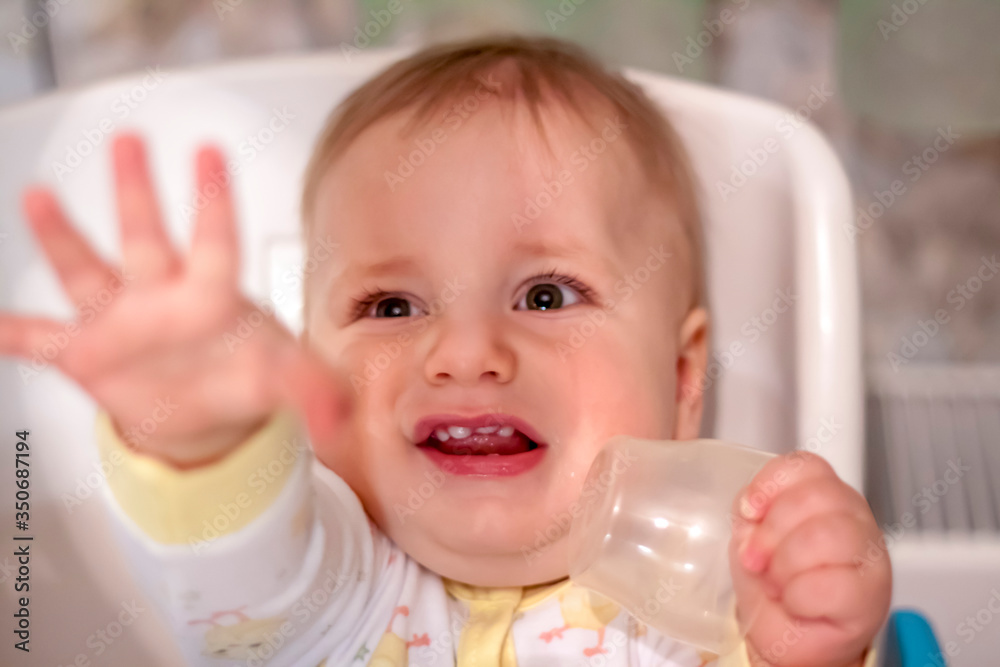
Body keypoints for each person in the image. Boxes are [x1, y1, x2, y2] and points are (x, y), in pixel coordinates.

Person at [0, 36, 890, 666]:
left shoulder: (712, 615)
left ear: (683, 376)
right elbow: (244, 547)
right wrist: (200, 431)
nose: (465, 354)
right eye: (390, 305)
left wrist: (808, 643)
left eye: (546, 294)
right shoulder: (324, 595)